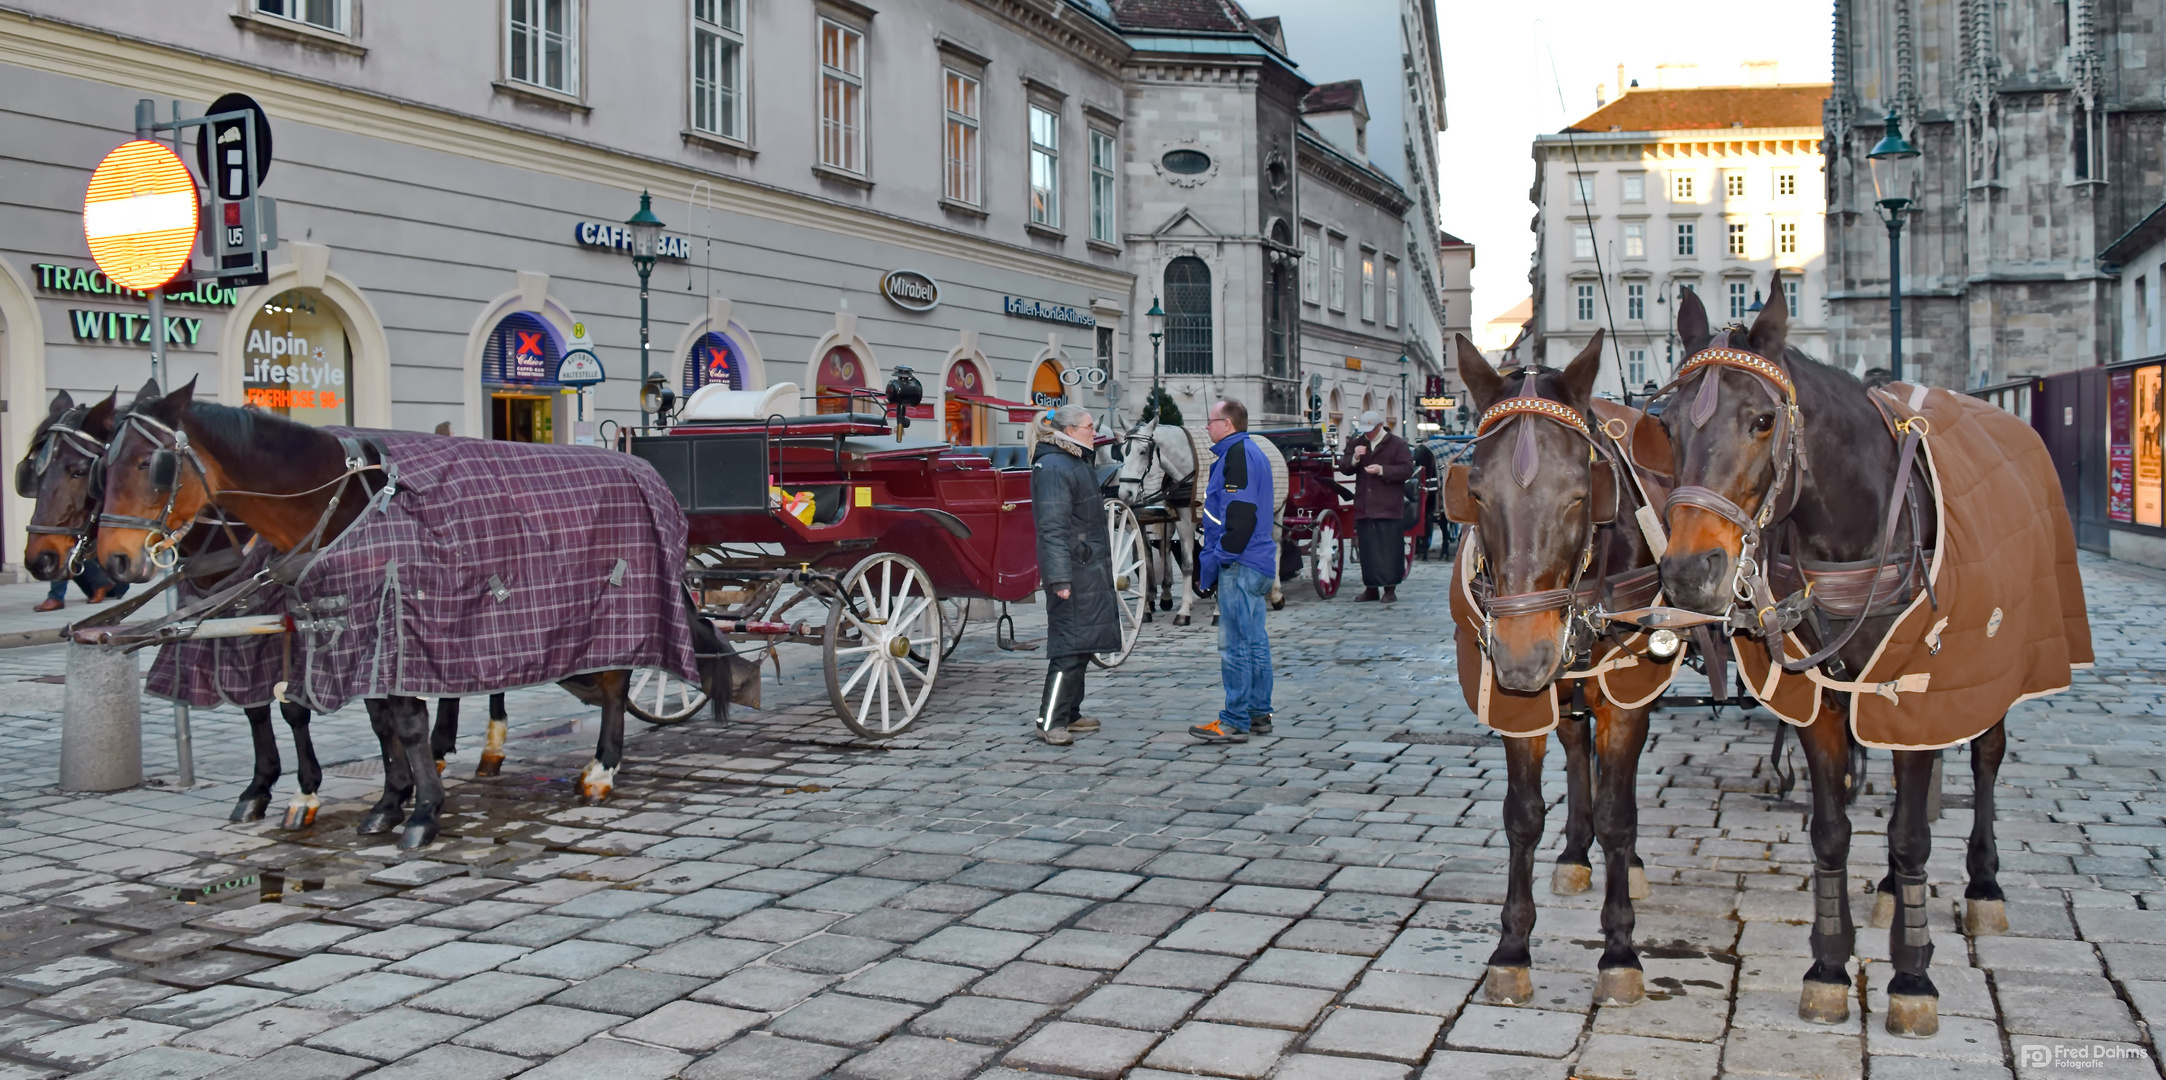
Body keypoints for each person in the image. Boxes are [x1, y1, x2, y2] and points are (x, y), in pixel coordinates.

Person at [1030, 403, 1122, 746]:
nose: (1094, 431)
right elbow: (1051, 528)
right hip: (1072, 568)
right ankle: (1049, 720)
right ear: (1069, 432)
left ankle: (1071, 713)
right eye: (1088, 426)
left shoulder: (1075, 459)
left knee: (1082, 644)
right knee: (1068, 648)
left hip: (1086, 564)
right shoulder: (1054, 466)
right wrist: (1059, 580)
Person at [1191, 397, 1276, 743]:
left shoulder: (1236, 456)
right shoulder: (1250, 452)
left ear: (1227, 424)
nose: (1206, 427)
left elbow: (1240, 514)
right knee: (1255, 641)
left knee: (1235, 645)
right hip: (1258, 560)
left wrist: (1220, 556)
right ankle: (1259, 714)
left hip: (1241, 562)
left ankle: (1235, 720)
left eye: (1210, 421)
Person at [1338, 410, 1415, 603]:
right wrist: (1355, 458)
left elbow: (1407, 469)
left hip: (1388, 506)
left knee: (1390, 549)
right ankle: (1371, 587)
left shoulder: (1397, 444)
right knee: (1368, 550)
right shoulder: (1358, 443)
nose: (1368, 434)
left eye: (1371, 430)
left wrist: (1382, 470)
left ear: (1380, 426)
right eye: (1365, 431)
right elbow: (1345, 467)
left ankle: (1390, 589)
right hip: (1365, 505)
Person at [34, 560, 126, 613]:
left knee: (71, 554)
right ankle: (56, 597)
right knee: (66, 556)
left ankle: (56, 597)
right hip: (91, 586)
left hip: (115, 586)